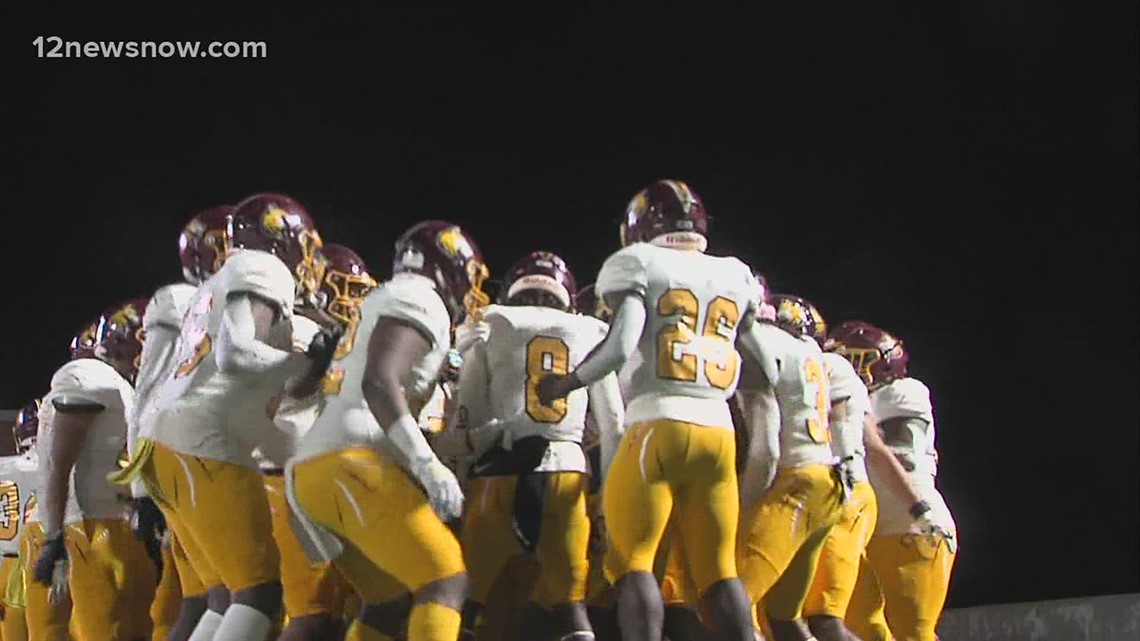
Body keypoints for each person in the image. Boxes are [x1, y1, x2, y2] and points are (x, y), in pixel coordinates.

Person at [536, 179, 762, 641]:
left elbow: (619, 349)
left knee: (632, 562)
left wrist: (565, 382)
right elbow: (768, 368)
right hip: (718, 431)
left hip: (656, 423)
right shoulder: (735, 273)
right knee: (719, 571)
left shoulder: (637, 262)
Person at [139, 192, 334, 641]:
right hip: (205, 441)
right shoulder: (262, 268)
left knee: (225, 596)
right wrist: (304, 360)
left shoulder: (211, 286)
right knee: (259, 593)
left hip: (171, 441)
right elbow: (237, 355)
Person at [287, 220, 491, 641]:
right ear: (449, 267)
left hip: (321, 467)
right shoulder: (421, 298)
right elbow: (379, 383)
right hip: (351, 462)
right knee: (445, 579)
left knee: (390, 602)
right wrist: (427, 465)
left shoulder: (388, 297)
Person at [452, 251, 624, 641]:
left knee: (465, 600)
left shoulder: (491, 322)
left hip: (499, 471)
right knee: (570, 607)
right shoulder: (592, 331)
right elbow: (615, 424)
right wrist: (608, 499)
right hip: (567, 469)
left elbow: (468, 418)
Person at [33, 299, 158, 640]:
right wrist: (54, 534)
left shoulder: (115, 384)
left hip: (104, 521)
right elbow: (59, 461)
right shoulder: (90, 376)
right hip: (87, 525)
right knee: (106, 631)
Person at [827, 321, 957, 641]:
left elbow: (894, 457)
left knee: (913, 634)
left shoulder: (903, 392)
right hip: (872, 527)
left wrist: (920, 510)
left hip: (910, 526)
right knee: (866, 629)